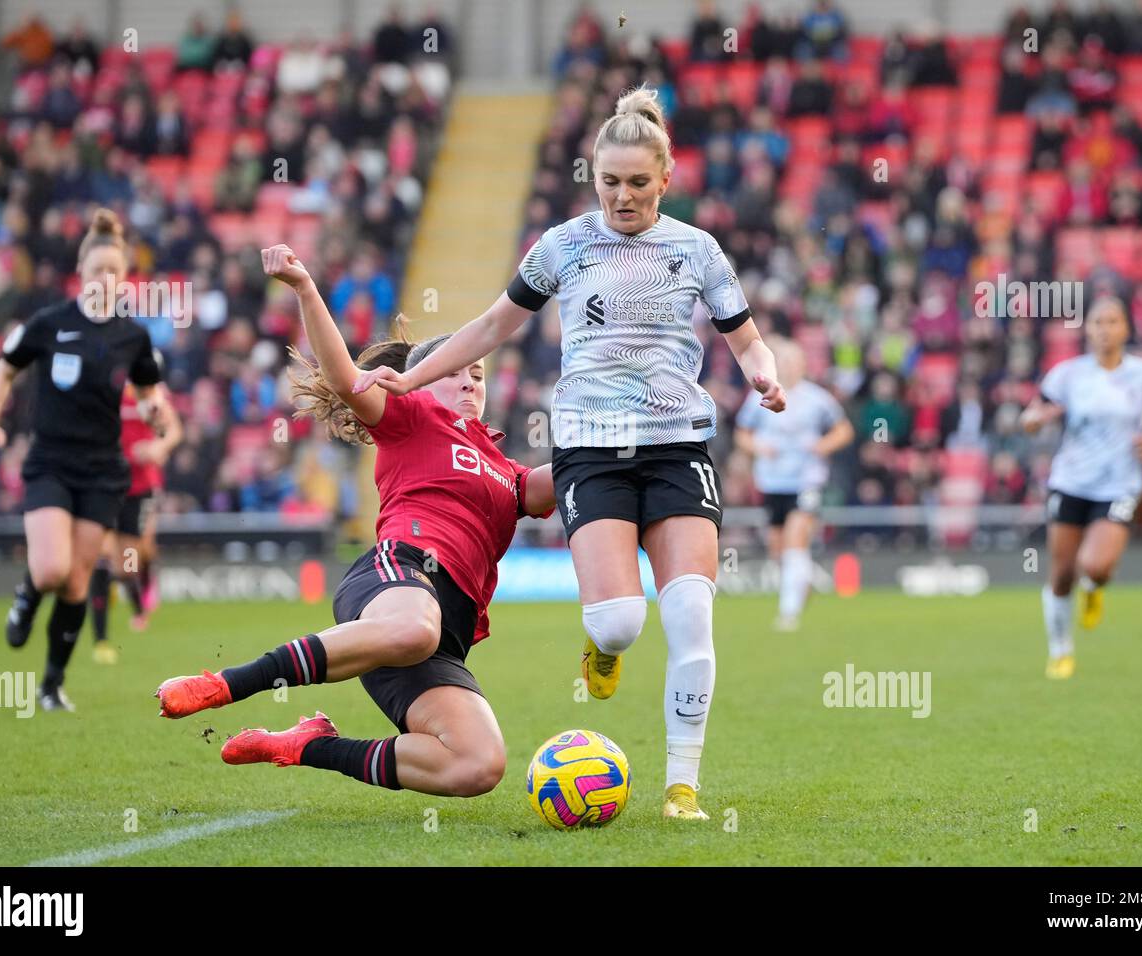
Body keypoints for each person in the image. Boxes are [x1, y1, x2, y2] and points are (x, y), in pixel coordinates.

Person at [354, 86, 787, 820]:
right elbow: (492, 327)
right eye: (609, 182)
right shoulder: (562, 246)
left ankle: (682, 785)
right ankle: (604, 652)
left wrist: (763, 371)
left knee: (689, 614)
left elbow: (744, 335)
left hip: (678, 443)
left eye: (638, 184)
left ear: (666, 179)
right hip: (590, 448)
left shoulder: (697, 250)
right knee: (617, 622)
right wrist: (416, 375)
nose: (622, 197)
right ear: (592, 176)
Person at [155, 245, 556, 800]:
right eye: (456, 371)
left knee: (477, 767)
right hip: (397, 582)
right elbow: (345, 380)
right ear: (420, 379)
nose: (470, 382)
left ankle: (305, 745)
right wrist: (304, 287)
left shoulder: (508, 471)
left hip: (443, 637)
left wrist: (623, 430)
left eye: (479, 375)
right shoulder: (412, 417)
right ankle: (225, 684)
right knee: (417, 627)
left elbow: (566, 479)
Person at [0, 208, 163, 710]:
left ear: (124, 279)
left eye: (115, 272)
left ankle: (51, 685)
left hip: (103, 471)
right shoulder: (49, 324)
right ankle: (27, 596)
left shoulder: (132, 336)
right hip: (51, 463)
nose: (106, 279)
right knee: (54, 569)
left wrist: (156, 413)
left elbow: (148, 392)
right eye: (98, 269)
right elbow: (3, 371)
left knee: (79, 580)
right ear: (81, 273)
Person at [1020, 297, 1142, 679]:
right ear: (1087, 329)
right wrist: (1035, 420)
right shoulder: (1067, 375)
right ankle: (1060, 651)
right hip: (1070, 481)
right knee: (1060, 574)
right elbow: (1030, 415)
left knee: (1097, 564)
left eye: (1112, 321)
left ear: (1126, 328)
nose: (1105, 329)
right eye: (1097, 322)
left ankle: (1094, 587)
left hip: (1119, 484)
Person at [735, 339, 853, 631]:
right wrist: (759, 448)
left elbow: (844, 430)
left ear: (803, 365)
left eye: (793, 361)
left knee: (795, 539)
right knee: (778, 552)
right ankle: (804, 580)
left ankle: (788, 614)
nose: (788, 366)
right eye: (783, 361)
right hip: (773, 482)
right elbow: (742, 434)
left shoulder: (818, 399)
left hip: (806, 481)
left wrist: (823, 445)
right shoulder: (759, 397)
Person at [89, 377, 182, 662]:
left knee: (129, 562)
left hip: (140, 487)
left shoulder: (148, 391)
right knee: (101, 557)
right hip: (104, 485)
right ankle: (101, 640)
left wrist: (158, 448)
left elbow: (173, 429)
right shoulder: (100, 387)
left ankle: (139, 601)